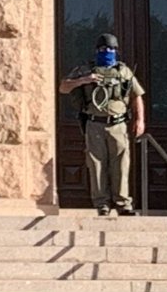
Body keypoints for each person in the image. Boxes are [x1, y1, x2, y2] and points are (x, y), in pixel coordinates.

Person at [58, 33, 145, 216]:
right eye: (104, 49)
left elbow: (137, 95)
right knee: (96, 164)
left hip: (118, 124)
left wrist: (140, 120)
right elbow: (63, 87)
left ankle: (122, 203)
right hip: (94, 124)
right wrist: (84, 80)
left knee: (121, 164)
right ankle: (102, 204)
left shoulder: (123, 71)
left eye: (111, 49)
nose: (107, 52)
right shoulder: (85, 69)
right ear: (97, 51)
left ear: (117, 51)